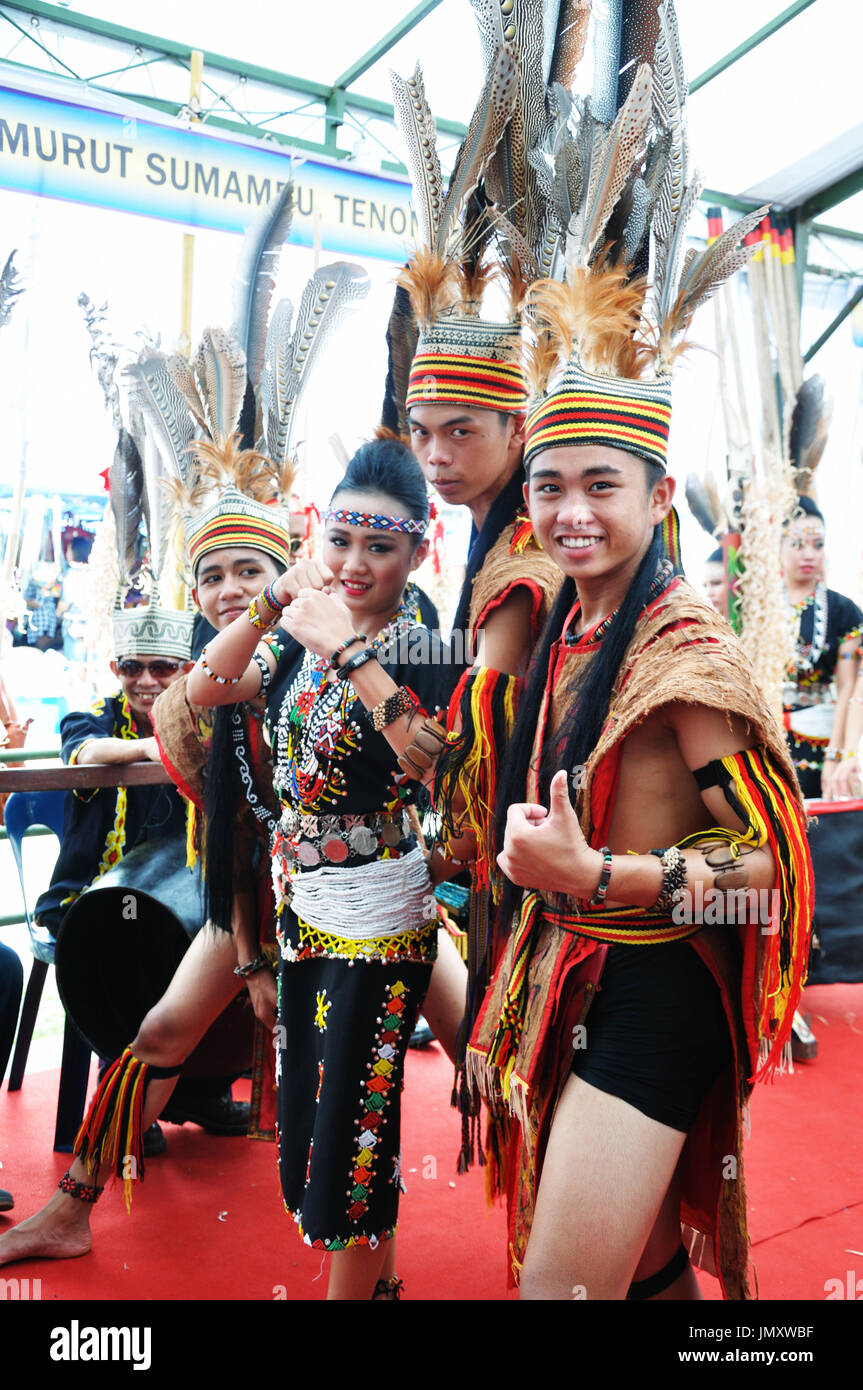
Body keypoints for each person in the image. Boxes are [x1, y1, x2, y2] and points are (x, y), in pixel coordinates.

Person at [462, 2, 813, 1299]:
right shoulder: (564, 628)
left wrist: (597, 868)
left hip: (652, 995)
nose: (567, 513)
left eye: (599, 485)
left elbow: (769, 884)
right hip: (565, 975)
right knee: (636, 1274)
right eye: (548, 488)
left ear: (658, 496)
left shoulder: (682, 653)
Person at [188, 437, 449, 1300]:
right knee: (313, 1112)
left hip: (381, 925)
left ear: (418, 549)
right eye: (340, 540)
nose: (355, 563)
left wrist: (350, 652)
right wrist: (274, 601)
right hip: (304, 912)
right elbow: (206, 688)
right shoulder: (299, 630)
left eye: (380, 546)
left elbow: (433, 762)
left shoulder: (418, 649)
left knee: (351, 1128)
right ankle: (378, 1284)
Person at [780, 495, 863, 801]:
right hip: (768, 738)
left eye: (818, 545)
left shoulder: (844, 612)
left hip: (820, 738)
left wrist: (835, 756)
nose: (809, 554)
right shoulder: (756, 608)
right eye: (798, 544)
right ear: (778, 545)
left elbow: (848, 688)